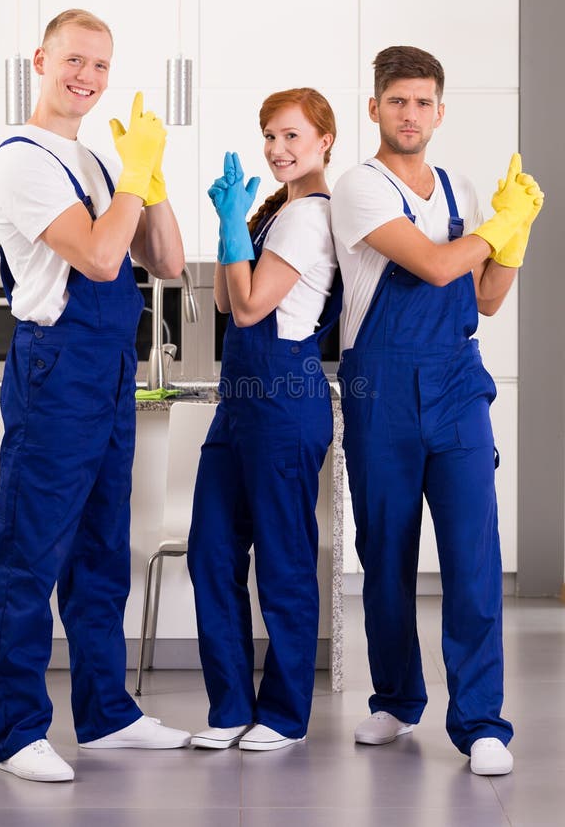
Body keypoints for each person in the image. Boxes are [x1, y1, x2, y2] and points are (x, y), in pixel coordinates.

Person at [0, 9, 192, 783]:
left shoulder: (103, 164)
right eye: (75, 60)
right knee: (31, 549)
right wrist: (133, 179)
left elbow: (165, 259)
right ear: (41, 59)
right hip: (55, 369)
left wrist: (152, 178)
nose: (89, 78)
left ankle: (106, 715)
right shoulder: (23, 159)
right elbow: (105, 260)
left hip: (109, 372)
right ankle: (15, 730)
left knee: (104, 548)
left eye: (102, 66)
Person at [331, 46, 543, 776]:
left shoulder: (460, 190)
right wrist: (496, 228)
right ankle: (395, 699)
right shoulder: (360, 187)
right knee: (385, 555)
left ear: (440, 112)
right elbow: (434, 264)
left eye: (423, 103)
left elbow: (485, 297)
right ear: (375, 109)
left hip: (455, 390)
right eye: (398, 102)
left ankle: (482, 722)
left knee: (473, 560)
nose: (410, 115)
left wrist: (519, 232)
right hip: (380, 392)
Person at [187, 88, 341, 752]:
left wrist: (233, 231)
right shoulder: (276, 213)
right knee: (212, 551)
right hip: (240, 400)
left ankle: (283, 715)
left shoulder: (309, 217)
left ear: (324, 142)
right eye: (270, 137)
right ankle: (228, 709)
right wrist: (231, 221)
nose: (278, 150)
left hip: (283, 398)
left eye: (292, 137)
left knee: (282, 561)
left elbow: (249, 311)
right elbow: (225, 297)